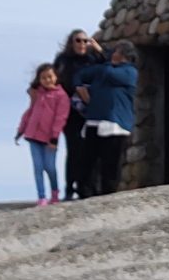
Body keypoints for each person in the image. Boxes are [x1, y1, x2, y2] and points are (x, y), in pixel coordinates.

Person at [72, 41, 138, 198]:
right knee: (87, 161)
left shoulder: (130, 72)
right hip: (94, 120)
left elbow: (110, 75)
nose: (113, 54)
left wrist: (104, 56)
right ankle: (85, 193)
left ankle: (108, 195)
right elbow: (79, 76)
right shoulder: (103, 69)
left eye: (115, 52)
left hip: (116, 124)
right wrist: (82, 91)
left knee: (110, 164)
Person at [53, 28, 103, 200]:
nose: (82, 44)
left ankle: (88, 188)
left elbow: (109, 67)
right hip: (70, 112)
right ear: (71, 43)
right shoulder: (63, 61)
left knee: (92, 149)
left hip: (91, 110)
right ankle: (69, 187)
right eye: (78, 40)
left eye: (85, 40)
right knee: (74, 150)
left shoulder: (93, 59)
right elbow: (54, 82)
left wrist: (99, 50)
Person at [16, 63, 70, 206]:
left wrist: (54, 137)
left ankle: (55, 192)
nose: (47, 80)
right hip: (33, 136)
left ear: (56, 77)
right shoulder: (37, 94)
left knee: (50, 167)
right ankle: (41, 196)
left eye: (50, 77)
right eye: (44, 78)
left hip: (49, 139)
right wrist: (21, 130)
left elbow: (60, 118)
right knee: (38, 167)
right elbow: (30, 112)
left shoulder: (61, 96)